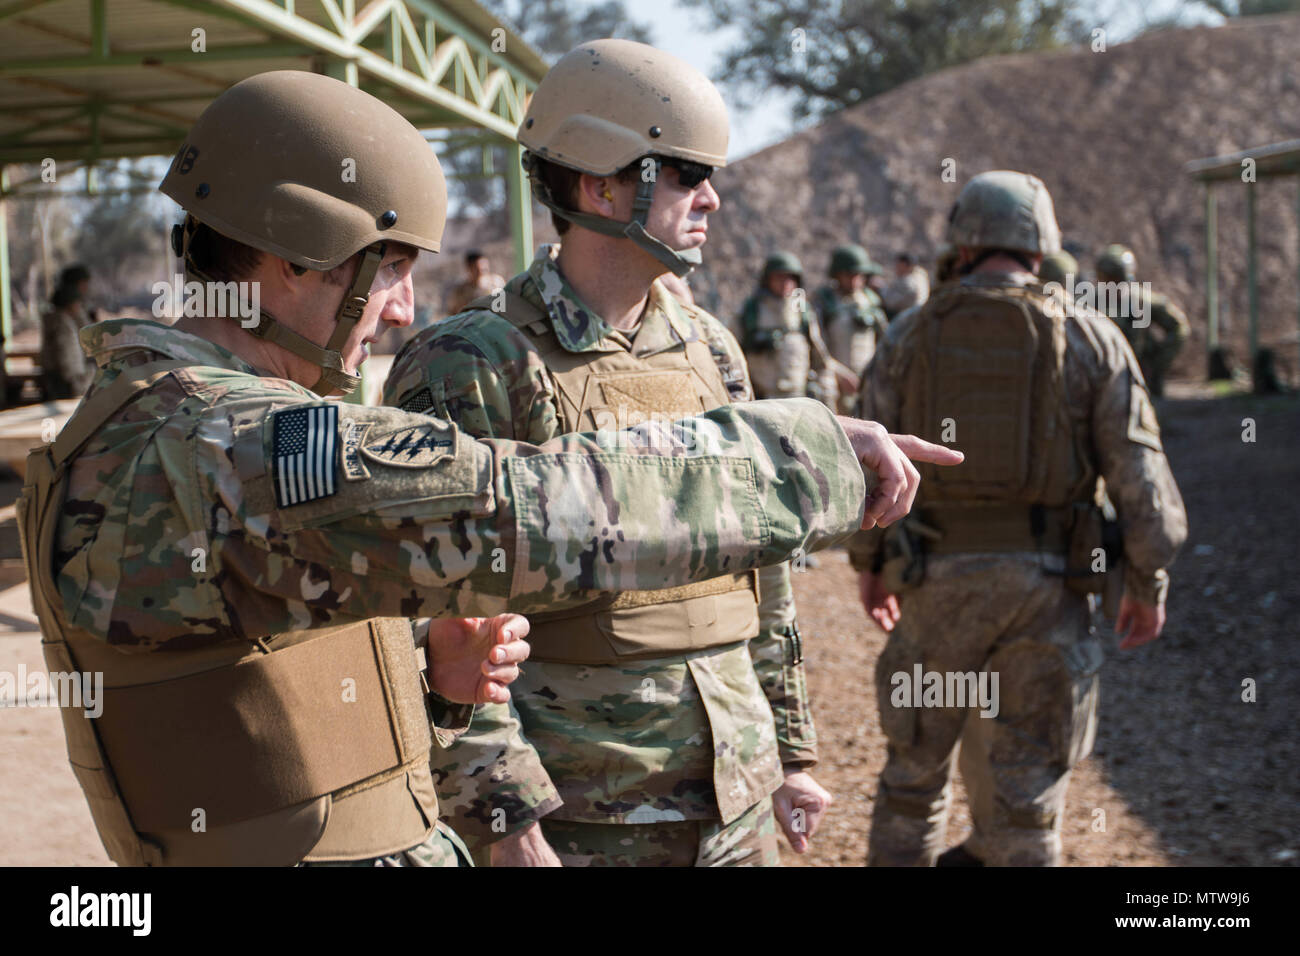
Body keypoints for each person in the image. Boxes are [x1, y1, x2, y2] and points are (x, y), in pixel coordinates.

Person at [16, 70, 957, 869]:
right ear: (295, 257)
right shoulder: (220, 447)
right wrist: (807, 452)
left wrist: (429, 684)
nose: (400, 311)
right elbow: (531, 509)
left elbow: (259, 706)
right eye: (388, 271)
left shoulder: (174, 426)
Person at [386, 39, 849, 867]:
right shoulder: (470, 360)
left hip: (733, 799)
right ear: (601, 183)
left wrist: (790, 752)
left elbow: (765, 570)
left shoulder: (712, 349)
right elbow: (438, 615)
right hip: (576, 814)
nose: (710, 198)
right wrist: (505, 819)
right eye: (682, 173)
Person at [851, 170, 1187, 867]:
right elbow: (1144, 486)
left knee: (912, 786)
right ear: (1043, 244)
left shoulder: (908, 333)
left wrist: (870, 566)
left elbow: (862, 466)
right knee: (1028, 802)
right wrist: (1148, 584)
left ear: (963, 243)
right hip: (1050, 594)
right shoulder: (1094, 338)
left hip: (935, 584)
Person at [739, 251, 855, 406]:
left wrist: (828, 391)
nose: (785, 283)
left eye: (790, 278)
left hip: (798, 398)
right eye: (779, 277)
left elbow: (819, 358)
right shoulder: (751, 312)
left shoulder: (803, 312)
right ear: (768, 280)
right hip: (762, 399)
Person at [1094, 243, 1189, 398]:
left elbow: (1178, 327)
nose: (1115, 287)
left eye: (1119, 282)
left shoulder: (1144, 301)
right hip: (1101, 378)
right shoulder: (1088, 304)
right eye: (1109, 282)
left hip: (1140, 376)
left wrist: (1158, 363)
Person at [815, 243, 889, 411]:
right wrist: (840, 374)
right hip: (835, 380)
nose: (855, 280)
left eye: (859, 275)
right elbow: (819, 348)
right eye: (849, 275)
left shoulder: (870, 301)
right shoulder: (825, 303)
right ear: (837, 275)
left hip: (868, 379)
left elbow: (885, 341)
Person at [40, 263, 97, 399]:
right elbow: (67, 359)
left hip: (65, 377)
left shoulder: (60, 319)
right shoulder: (64, 324)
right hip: (67, 380)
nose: (86, 288)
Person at [444, 249, 506, 316]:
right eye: (478, 269)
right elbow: (453, 312)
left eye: (484, 268)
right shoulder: (461, 291)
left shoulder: (496, 283)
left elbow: (503, 308)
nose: (481, 271)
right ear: (469, 268)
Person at [880, 252, 930, 318]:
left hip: (906, 318)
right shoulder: (920, 277)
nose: (895, 267)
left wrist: (881, 289)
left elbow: (892, 303)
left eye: (898, 265)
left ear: (905, 265)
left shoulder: (908, 282)